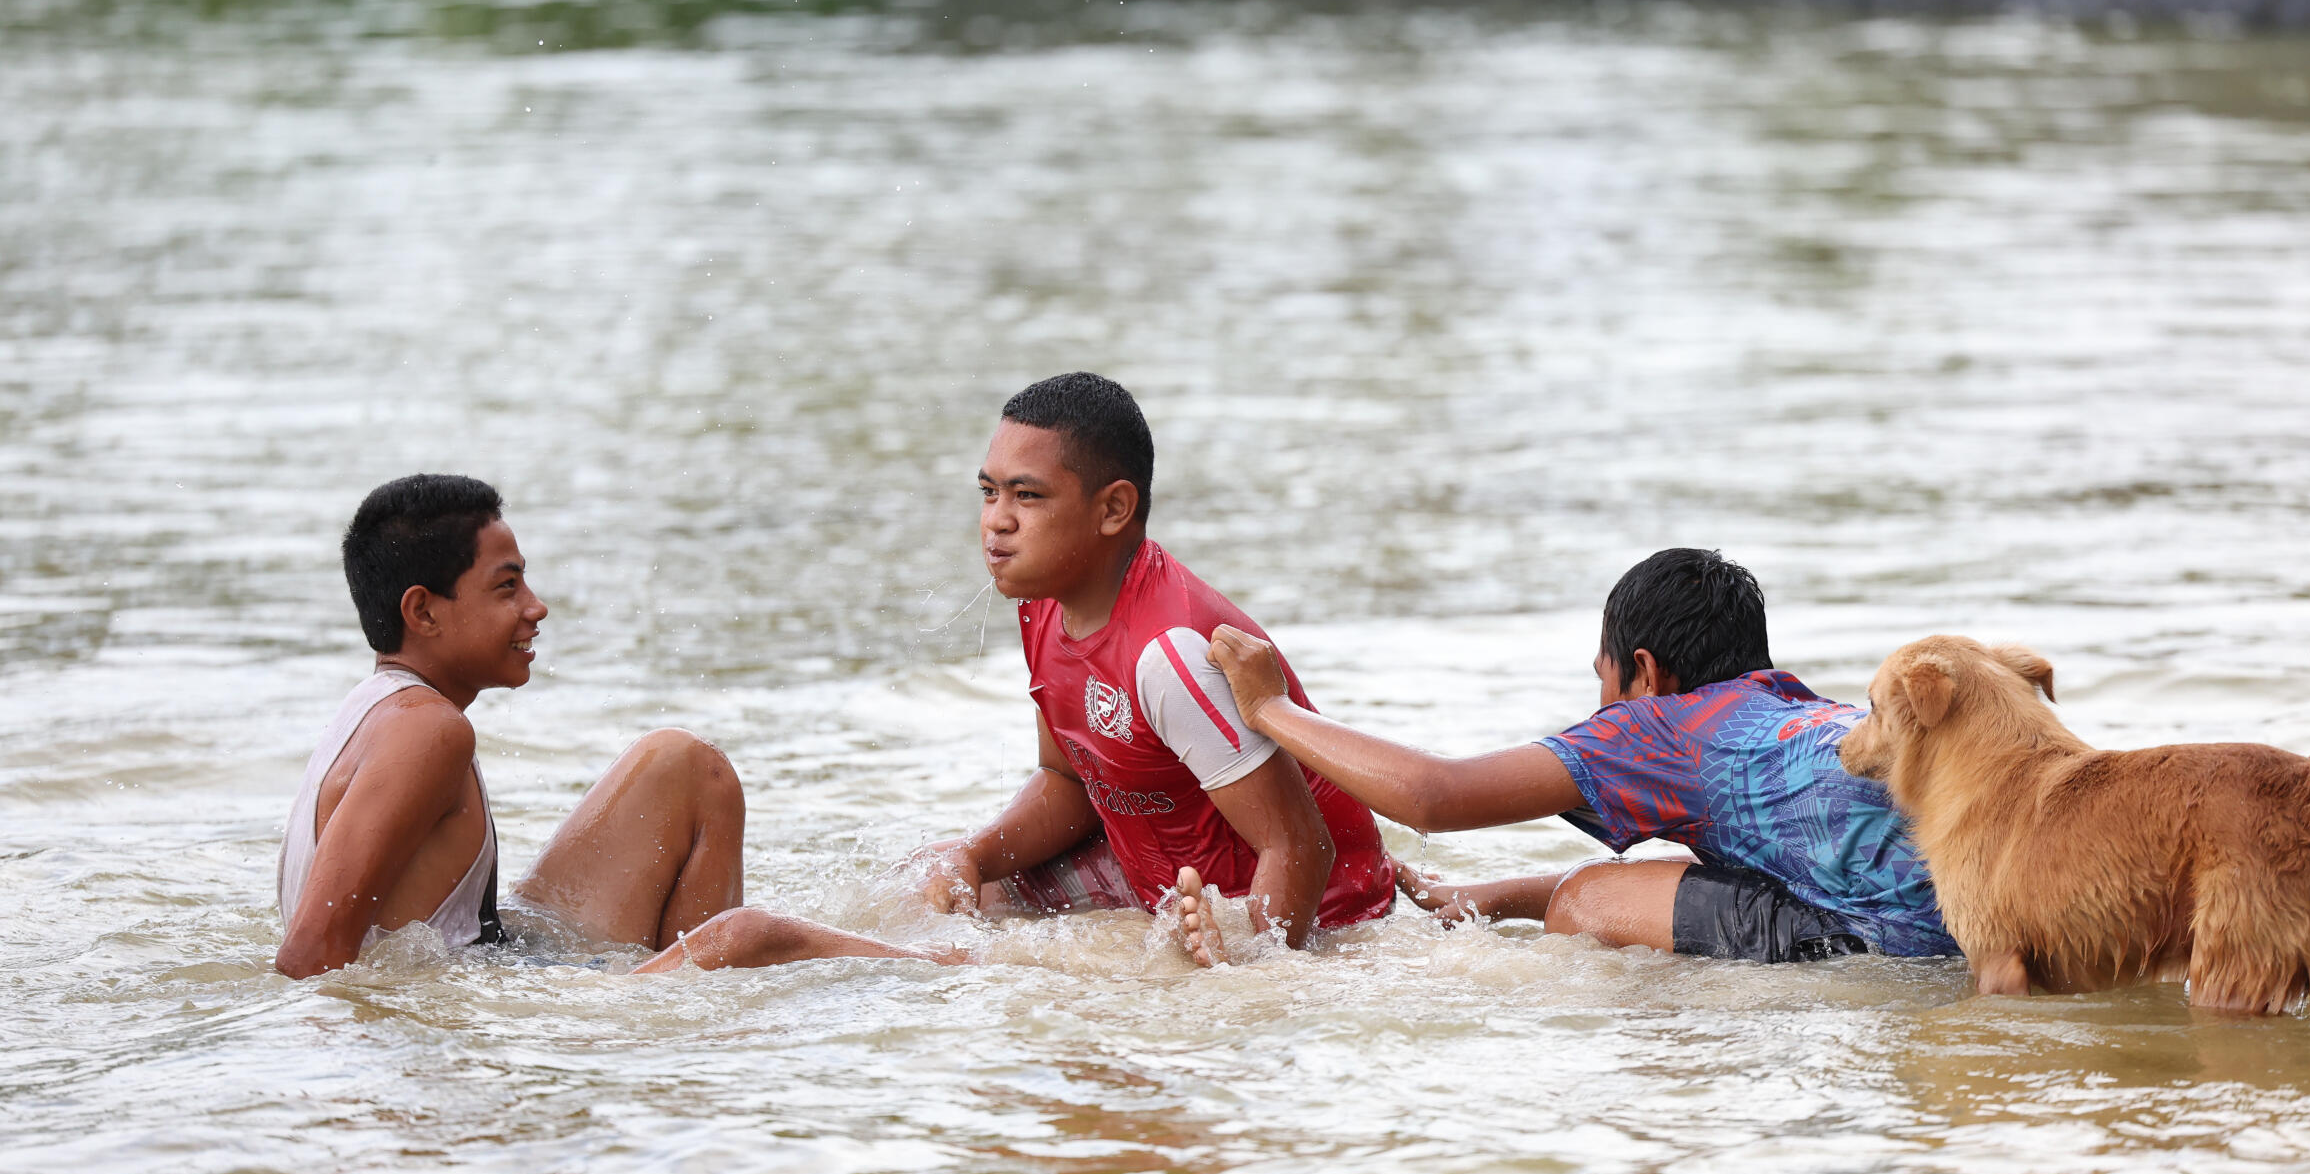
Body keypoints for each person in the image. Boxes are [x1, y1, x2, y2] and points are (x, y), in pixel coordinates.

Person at [275, 474, 944, 978]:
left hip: (504, 956)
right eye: (507, 587)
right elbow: (310, 956)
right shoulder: (426, 729)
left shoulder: (381, 706)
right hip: (501, 997)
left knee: (685, 766)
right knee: (742, 936)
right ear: (422, 611)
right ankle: (952, 970)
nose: (536, 608)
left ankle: (677, 1014)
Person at [1184, 547, 1960, 967]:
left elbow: (1432, 795)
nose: (1600, 708)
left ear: (1646, 673)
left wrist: (1267, 707)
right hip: (1982, 902)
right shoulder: (1788, 710)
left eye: (1603, 679)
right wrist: (1492, 895)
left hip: (1909, 942)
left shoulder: (1656, 726)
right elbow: (1761, 878)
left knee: (1584, 904)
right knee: (1601, 890)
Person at [911, 371, 1396, 962]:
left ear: (1114, 508)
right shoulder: (1044, 603)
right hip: (1161, 879)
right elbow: (1069, 781)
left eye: (1027, 496)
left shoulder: (1168, 656)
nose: (996, 521)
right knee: (930, 886)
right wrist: (973, 855)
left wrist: (1247, 969)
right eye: (989, 493)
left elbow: (1299, 846)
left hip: (1329, 913)